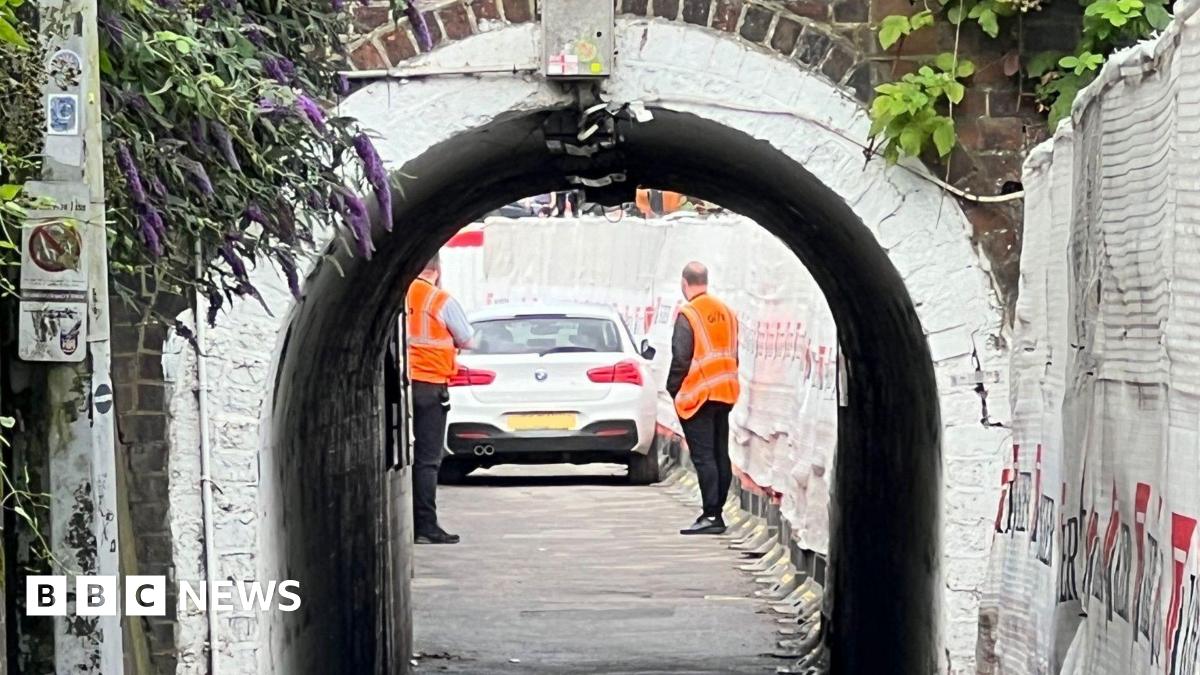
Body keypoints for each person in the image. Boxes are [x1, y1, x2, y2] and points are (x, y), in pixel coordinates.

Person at [667, 262, 740, 535]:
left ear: (685, 283)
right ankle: (716, 511)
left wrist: (674, 389)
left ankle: (711, 515)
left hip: (698, 395)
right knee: (721, 454)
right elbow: (734, 353)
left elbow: (681, 356)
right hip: (726, 392)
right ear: (705, 280)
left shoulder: (689, 313)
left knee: (704, 457)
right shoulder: (728, 312)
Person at [406, 253, 473, 544]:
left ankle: (419, 524)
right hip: (430, 385)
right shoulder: (438, 299)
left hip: (402, 383)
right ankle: (426, 526)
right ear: (436, 270)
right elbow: (467, 339)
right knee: (427, 460)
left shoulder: (400, 295)